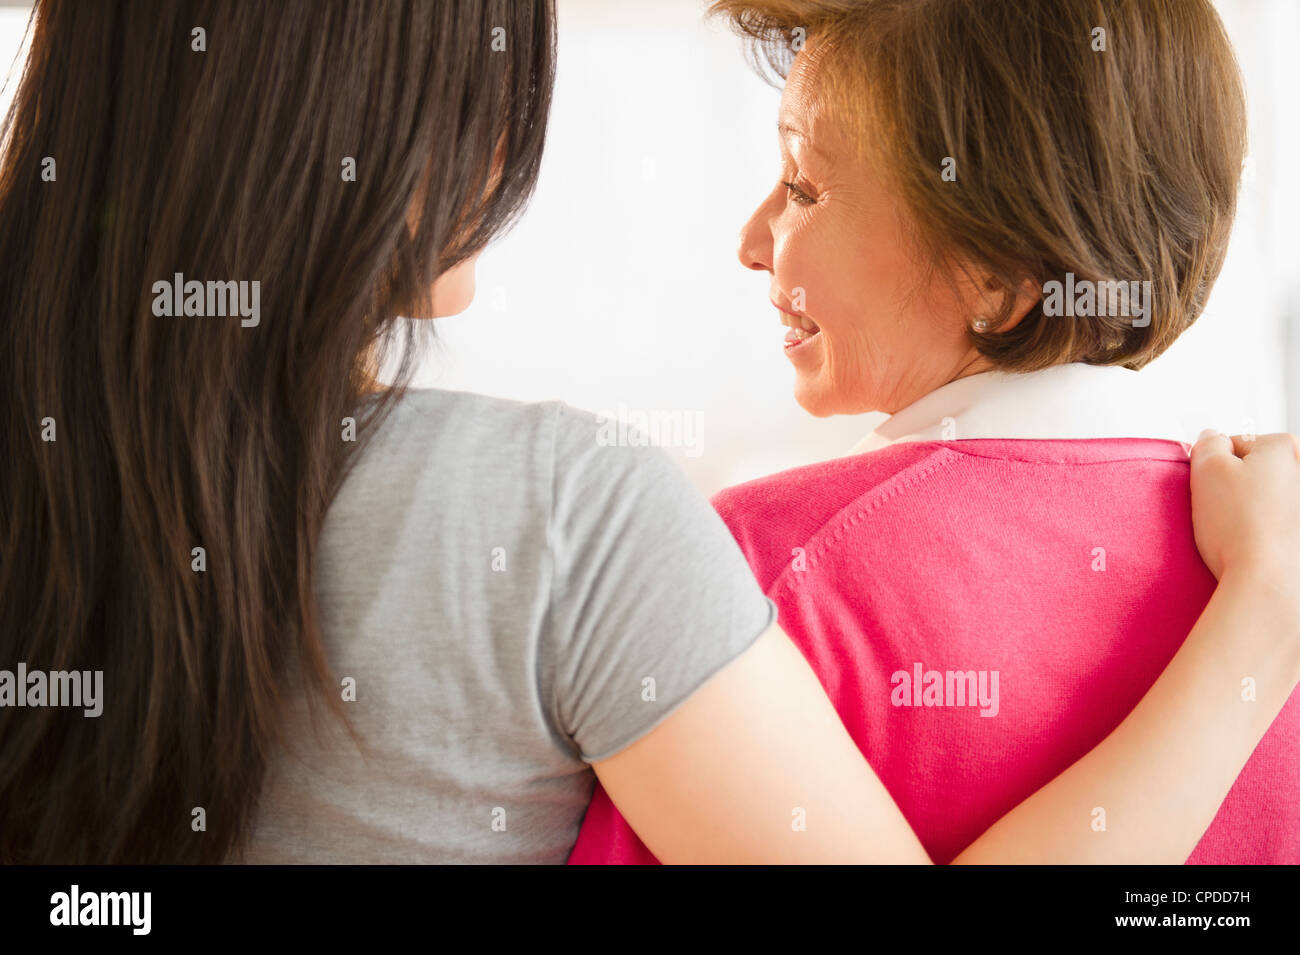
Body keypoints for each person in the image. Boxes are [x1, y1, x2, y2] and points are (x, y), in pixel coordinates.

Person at [0, 0, 1294, 866]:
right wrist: (1256, 625)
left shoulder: (760, 559)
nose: (509, 134)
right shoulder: (588, 525)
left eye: (801, 184)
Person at [570, 0, 1300, 864]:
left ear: (994, 273)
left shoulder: (754, 574)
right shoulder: (1260, 556)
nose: (752, 241)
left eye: (803, 186)